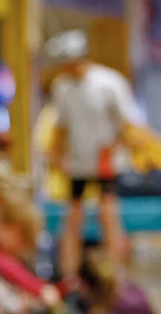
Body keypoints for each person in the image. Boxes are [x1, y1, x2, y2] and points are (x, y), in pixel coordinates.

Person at [45, 29, 142, 280]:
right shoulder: (63, 87)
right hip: (78, 161)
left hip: (105, 159)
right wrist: (55, 155)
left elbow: (127, 124)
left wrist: (119, 146)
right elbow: (61, 126)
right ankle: (70, 273)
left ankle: (115, 272)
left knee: (107, 214)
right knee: (73, 216)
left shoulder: (109, 83)